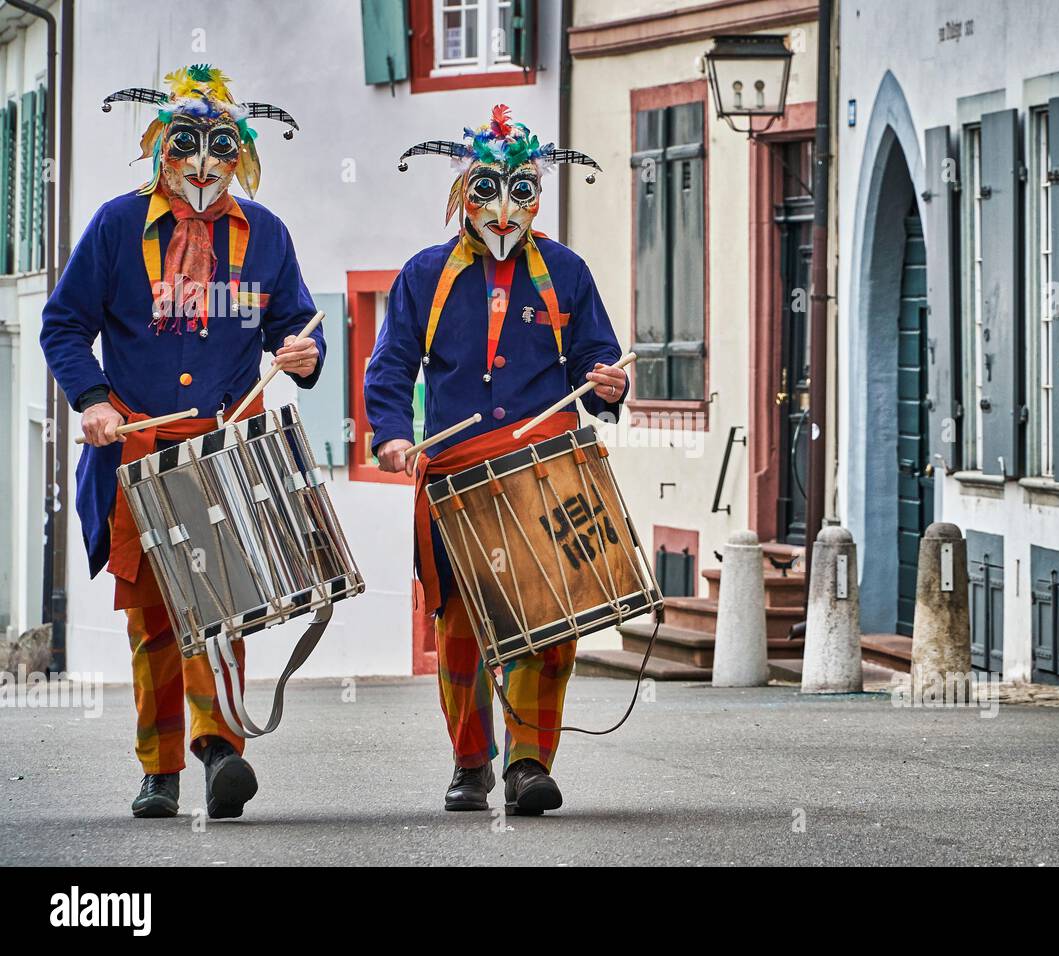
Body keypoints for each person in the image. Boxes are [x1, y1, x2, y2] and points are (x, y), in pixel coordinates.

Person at [39, 65, 325, 820]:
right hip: (137, 452)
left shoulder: (266, 234)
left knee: (224, 607)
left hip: (221, 449)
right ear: (159, 149)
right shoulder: (113, 226)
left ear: (241, 153)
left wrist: (301, 354)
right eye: (185, 147)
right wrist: (94, 400)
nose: (201, 165)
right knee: (156, 622)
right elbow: (64, 326)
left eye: (220, 147)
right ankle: (160, 769)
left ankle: (220, 750)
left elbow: (294, 325)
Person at [365, 105, 626, 815]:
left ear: (538, 194)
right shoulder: (425, 275)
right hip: (456, 475)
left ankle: (530, 763)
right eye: (487, 189)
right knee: (463, 628)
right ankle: (471, 760)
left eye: (521, 191)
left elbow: (598, 356)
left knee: (554, 620)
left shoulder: (566, 271)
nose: (505, 209)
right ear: (461, 191)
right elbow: (389, 368)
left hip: (547, 469)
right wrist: (390, 431)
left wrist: (610, 381)